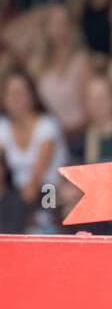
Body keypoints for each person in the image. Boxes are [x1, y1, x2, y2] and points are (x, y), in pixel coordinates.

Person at [0, 67, 65, 215]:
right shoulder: (3, 127)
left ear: (33, 95)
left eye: (21, 93)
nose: (15, 98)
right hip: (17, 194)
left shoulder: (47, 126)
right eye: (10, 93)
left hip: (51, 193)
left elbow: (35, 180)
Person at [31, 4, 91, 142]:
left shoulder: (82, 60)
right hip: (46, 137)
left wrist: (69, 132)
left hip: (78, 137)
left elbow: (91, 107)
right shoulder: (37, 64)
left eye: (64, 22)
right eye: (55, 22)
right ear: (46, 27)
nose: (59, 27)